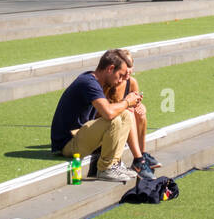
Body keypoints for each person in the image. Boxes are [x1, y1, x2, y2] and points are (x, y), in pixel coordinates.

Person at [51, 49, 149, 182]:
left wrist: (128, 105)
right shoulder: (88, 83)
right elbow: (108, 113)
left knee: (125, 115)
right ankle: (105, 168)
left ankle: (114, 164)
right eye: (120, 75)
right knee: (113, 118)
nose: (121, 80)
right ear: (110, 68)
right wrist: (127, 102)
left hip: (80, 136)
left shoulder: (95, 82)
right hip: (67, 143)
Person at [105, 49, 160, 178]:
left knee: (139, 113)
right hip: (113, 122)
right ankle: (138, 160)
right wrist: (127, 105)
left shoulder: (132, 82)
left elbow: (136, 103)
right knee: (128, 111)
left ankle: (142, 153)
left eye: (131, 66)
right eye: (126, 67)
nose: (129, 70)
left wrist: (141, 107)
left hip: (123, 121)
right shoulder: (110, 82)